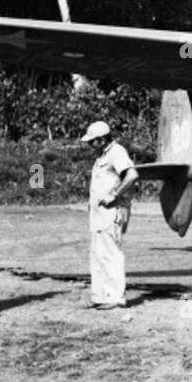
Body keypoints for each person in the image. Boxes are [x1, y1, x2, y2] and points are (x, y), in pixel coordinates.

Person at [81, 120, 139, 309]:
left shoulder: (116, 152)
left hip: (110, 212)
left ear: (102, 139)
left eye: (93, 141)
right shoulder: (101, 156)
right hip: (98, 214)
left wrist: (114, 195)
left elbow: (132, 175)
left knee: (111, 254)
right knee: (98, 254)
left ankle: (115, 296)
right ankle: (100, 295)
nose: (90, 145)